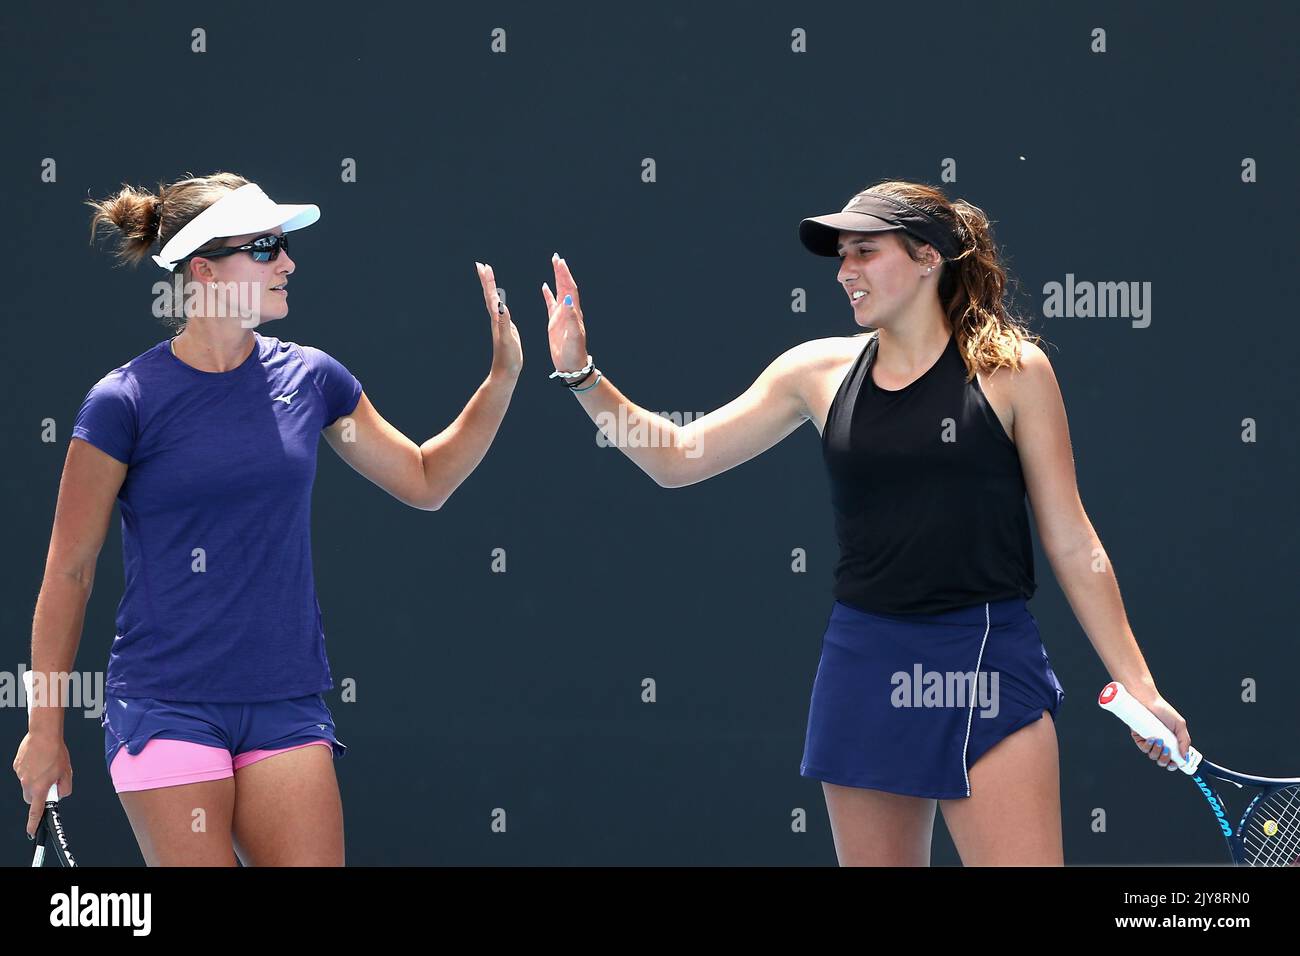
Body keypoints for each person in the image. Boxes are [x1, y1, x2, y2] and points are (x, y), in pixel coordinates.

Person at [540, 180, 1191, 866]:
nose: (846, 271)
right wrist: (582, 375)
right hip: (865, 665)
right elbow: (675, 459)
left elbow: (1070, 536)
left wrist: (1139, 684)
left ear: (927, 258)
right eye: (841, 256)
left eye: (865, 252)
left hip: (988, 664)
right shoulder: (814, 371)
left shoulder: (1015, 372)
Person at [13, 171, 522, 865]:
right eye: (265, 247)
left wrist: (502, 379)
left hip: (285, 703)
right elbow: (68, 572)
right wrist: (44, 729)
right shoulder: (121, 403)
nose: (288, 262)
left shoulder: (314, 380)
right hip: (165, 708)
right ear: (204, 270)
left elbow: (426, 480)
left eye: (282, 246)